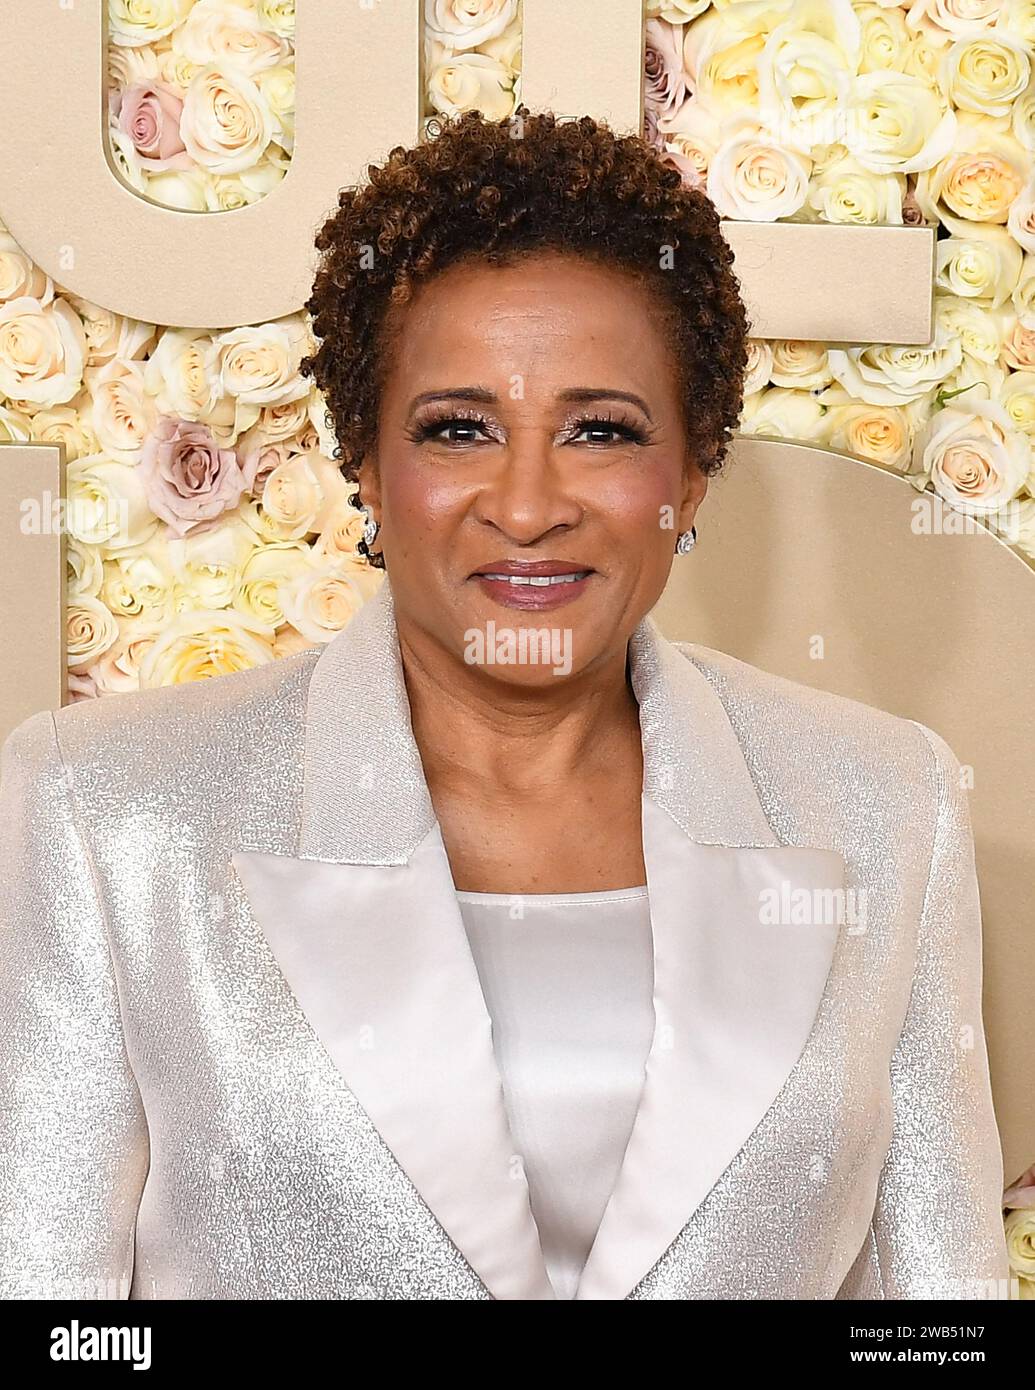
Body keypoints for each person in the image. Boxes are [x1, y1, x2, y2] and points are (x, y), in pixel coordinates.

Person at [0, 107, 1009, 1300]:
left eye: (600, 430)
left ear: (690, 473)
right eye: (458, 428)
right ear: (366, 467)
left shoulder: (886, 805)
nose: (528, 505)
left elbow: (940, 1316)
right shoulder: (109, 809)